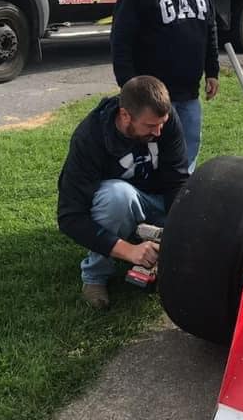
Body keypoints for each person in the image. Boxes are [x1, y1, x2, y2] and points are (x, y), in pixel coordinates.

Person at [57, 76, 188, 310]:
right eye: (150, 126)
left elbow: (176, 180)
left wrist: (174, 231)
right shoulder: (90, 138)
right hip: (120, 204)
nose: (159, 132)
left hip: (156, 200)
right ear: (125, 115)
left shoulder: (163, 121)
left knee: (199, 199)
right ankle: (95, 276)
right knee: (116, 196)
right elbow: (70, 217)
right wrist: (130, 251)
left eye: (163, 123)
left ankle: (158, 250)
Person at [111, 0, 219, 171]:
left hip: (189, 94)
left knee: (187, 157)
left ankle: (181, 195)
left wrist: (212, 70)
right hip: (152, 98)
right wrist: (130, 90)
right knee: (153, 161)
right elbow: (121, 40)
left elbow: (210, 27)